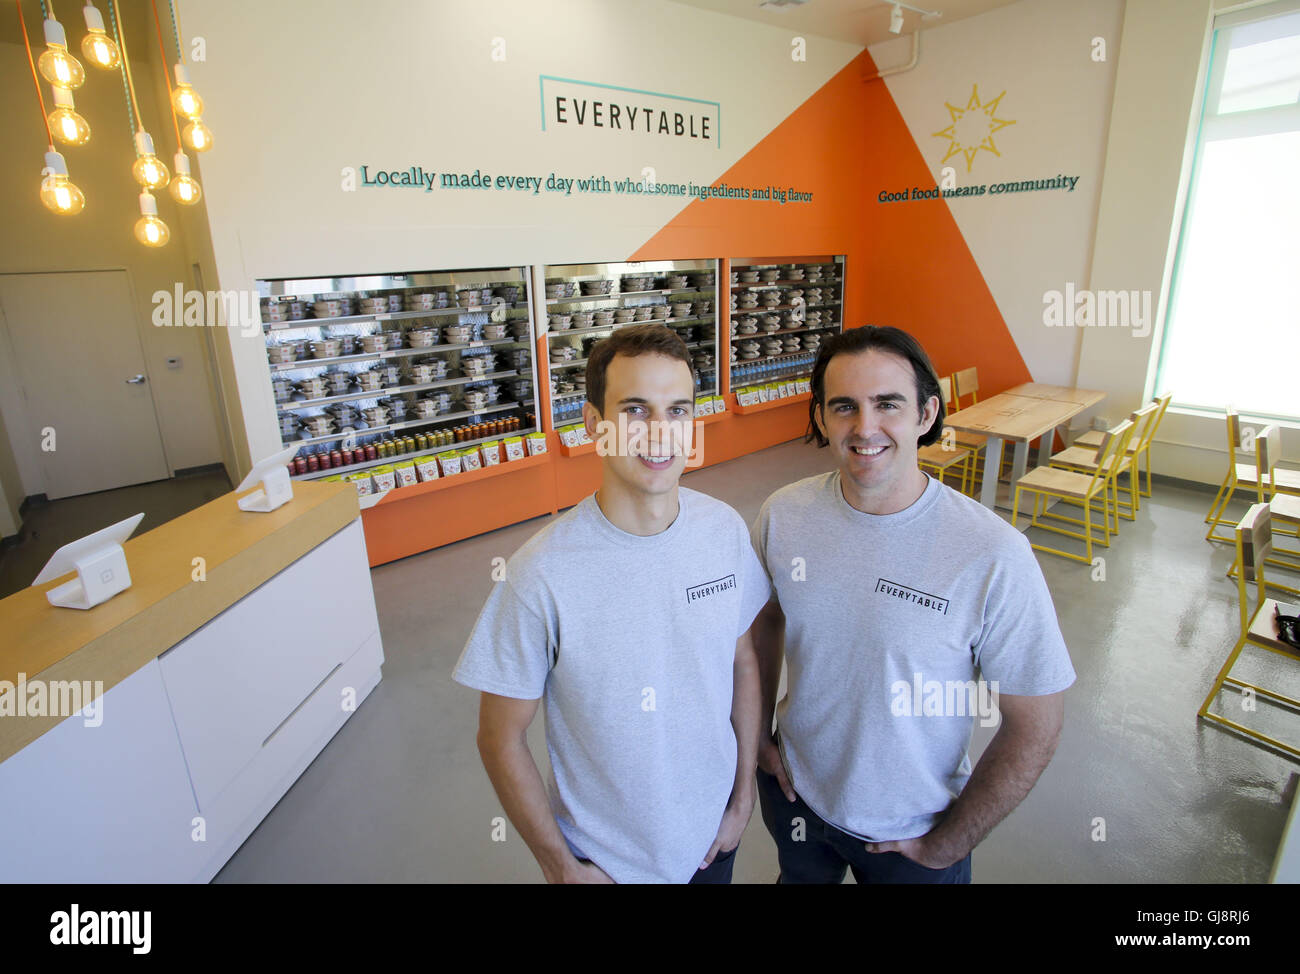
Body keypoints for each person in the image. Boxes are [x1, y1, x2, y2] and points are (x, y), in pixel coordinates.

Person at [750, 325, 1076, 883]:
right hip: (795, 795)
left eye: (887, 404)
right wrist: (757, 732)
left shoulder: (993, 552)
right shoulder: (784, 515)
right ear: (822, 417)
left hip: (915, 829)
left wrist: (950, 843)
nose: (864, 427)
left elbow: (1036, 722)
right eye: (844, 406)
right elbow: (767, 618)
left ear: (926, 414)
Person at [454, 323, 770, 883]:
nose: (660, 434)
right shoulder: (540, 573)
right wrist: (562, 869)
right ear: (595, 425)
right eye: (635, 410)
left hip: (712, 841)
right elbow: (499, 737)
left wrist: (742, 798)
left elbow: (743, 660)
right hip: (607, 866)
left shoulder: (723, 530)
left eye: (677, 411)